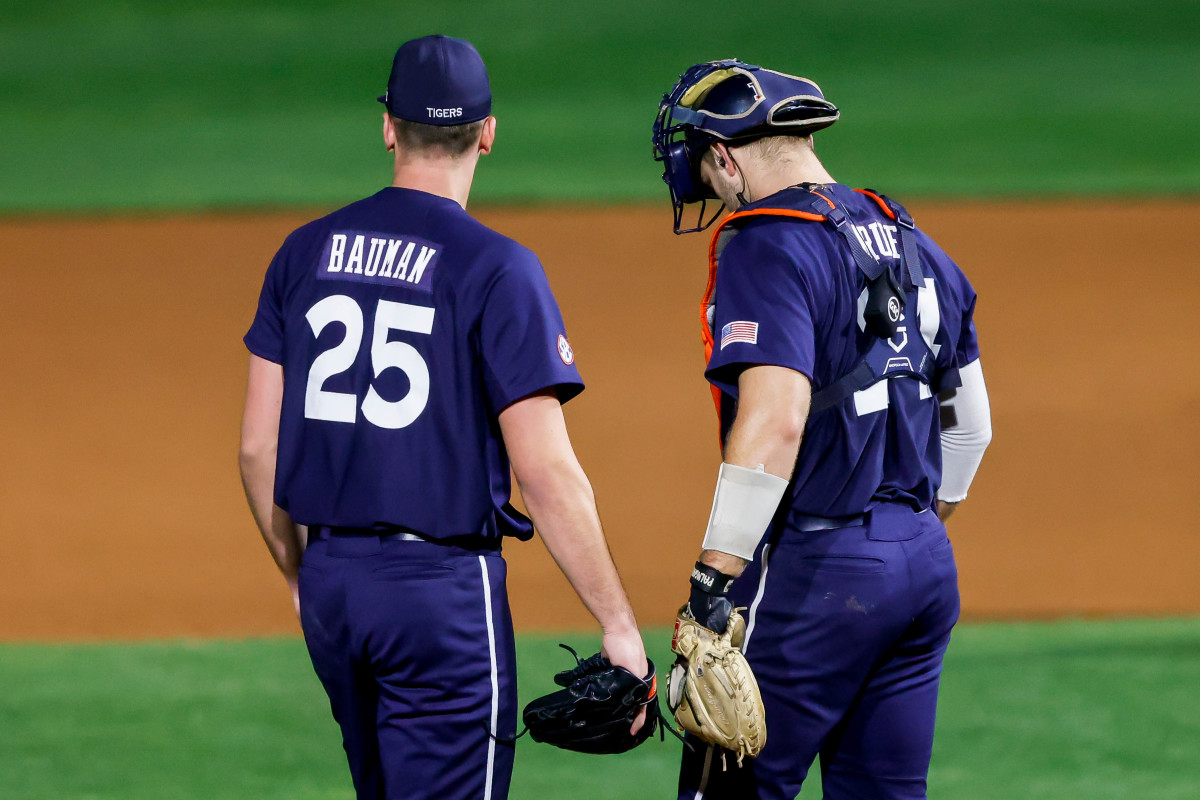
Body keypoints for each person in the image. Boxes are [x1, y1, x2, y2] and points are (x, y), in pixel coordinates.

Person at [238, 35, 648, 800]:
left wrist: (301, 575)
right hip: (439, 597)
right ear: (488, 133)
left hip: (333, 584)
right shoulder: (497, 268)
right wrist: (619, 628)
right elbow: (545, 471)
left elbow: (259, 449)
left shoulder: (303, 252)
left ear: (388, 126)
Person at [651, 60, 992, 799]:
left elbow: (776, 420)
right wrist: (907, 538)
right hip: (923, 568)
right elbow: (972, 428)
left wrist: (713, 585)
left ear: (725, 157)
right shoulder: (912, 238)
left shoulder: (764, 241)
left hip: (816, 571)